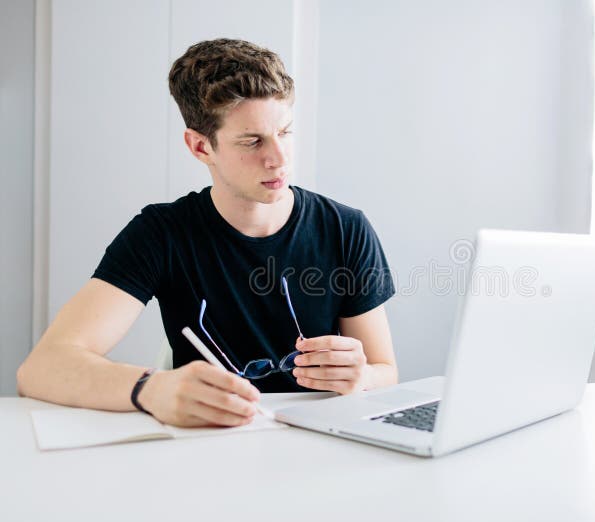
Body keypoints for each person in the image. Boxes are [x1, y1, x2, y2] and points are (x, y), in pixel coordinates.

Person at [16, 38, 398, 428]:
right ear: (200, 146)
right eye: (252, 141)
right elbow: (42, 367)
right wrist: (150, 388)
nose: (279, 159)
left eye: (284, 132)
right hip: (208, 450)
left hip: (323, 449)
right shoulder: (162, 234)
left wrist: (362, 377)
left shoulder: (345, 228)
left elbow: (385, 370)